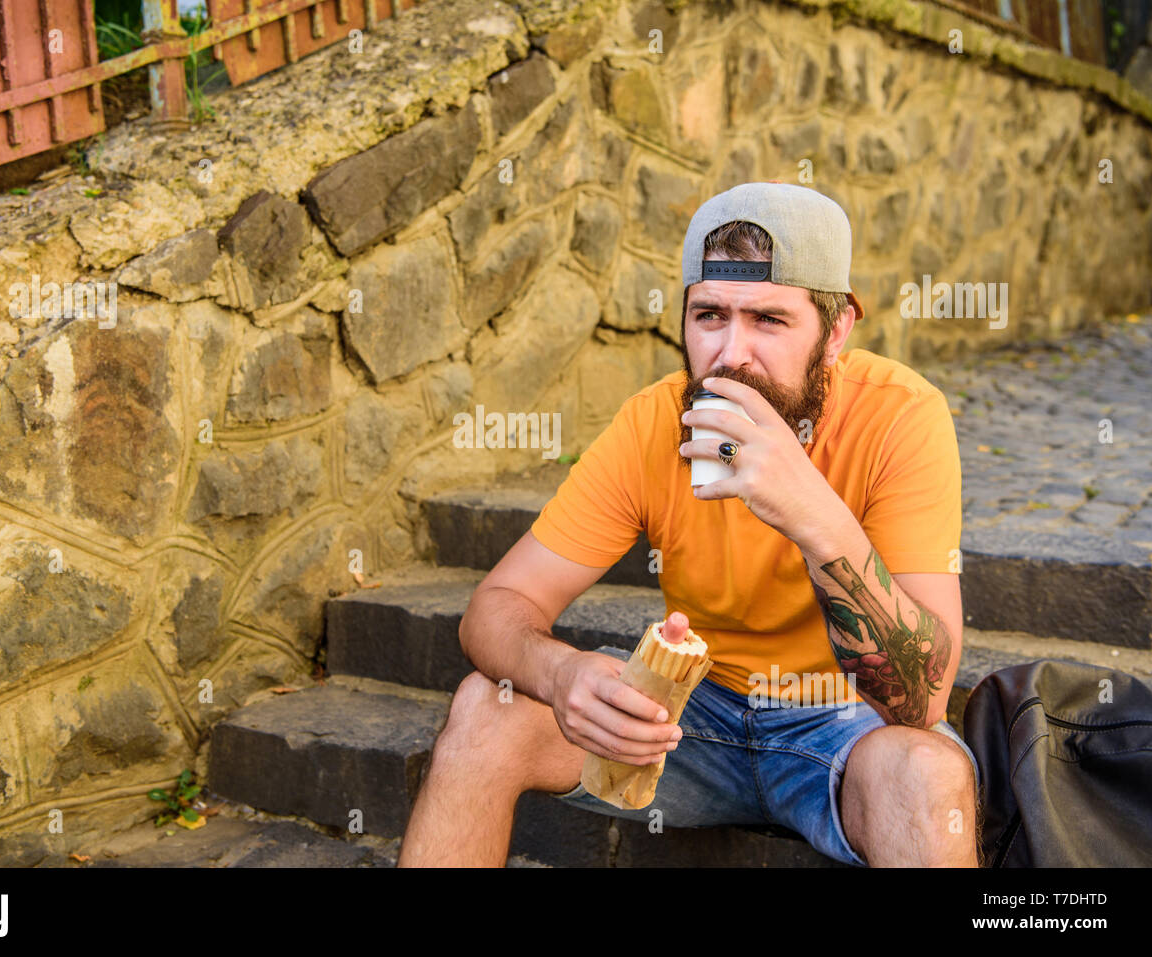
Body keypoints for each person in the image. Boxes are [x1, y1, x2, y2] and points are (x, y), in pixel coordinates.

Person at [398, 182, 980, 867]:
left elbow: (924, 697)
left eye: (769, 319)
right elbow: (495, 609)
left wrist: (815, 514)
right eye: (709, 315)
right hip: (688, 716)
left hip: (845, 724)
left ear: (836, 330)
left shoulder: (901, 416)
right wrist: (559, 674)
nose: (731, 354)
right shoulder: (654, 420)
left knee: (927, 771)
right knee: (482, 709)